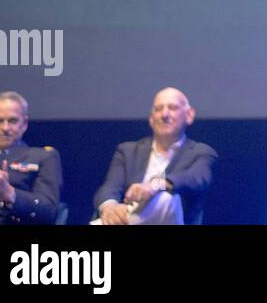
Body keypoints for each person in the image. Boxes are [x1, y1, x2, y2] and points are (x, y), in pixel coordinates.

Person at [92, 87, 217, 225]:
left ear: (189, 115)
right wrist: (109, 207)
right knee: (111, 211)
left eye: (172, 108)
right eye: (158, 109)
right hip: (128, 214)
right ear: (151, 119)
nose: (164, 114)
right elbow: (110, 187)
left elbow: (197, 178)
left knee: (166, 198)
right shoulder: (127, 151)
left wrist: (156, 184)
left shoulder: (201, 152)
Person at [0, 91, 61, 225]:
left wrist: (10, 193)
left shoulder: (43, 157)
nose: (5, 128)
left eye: (13, 120)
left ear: (24, 124)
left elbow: (50, 212)